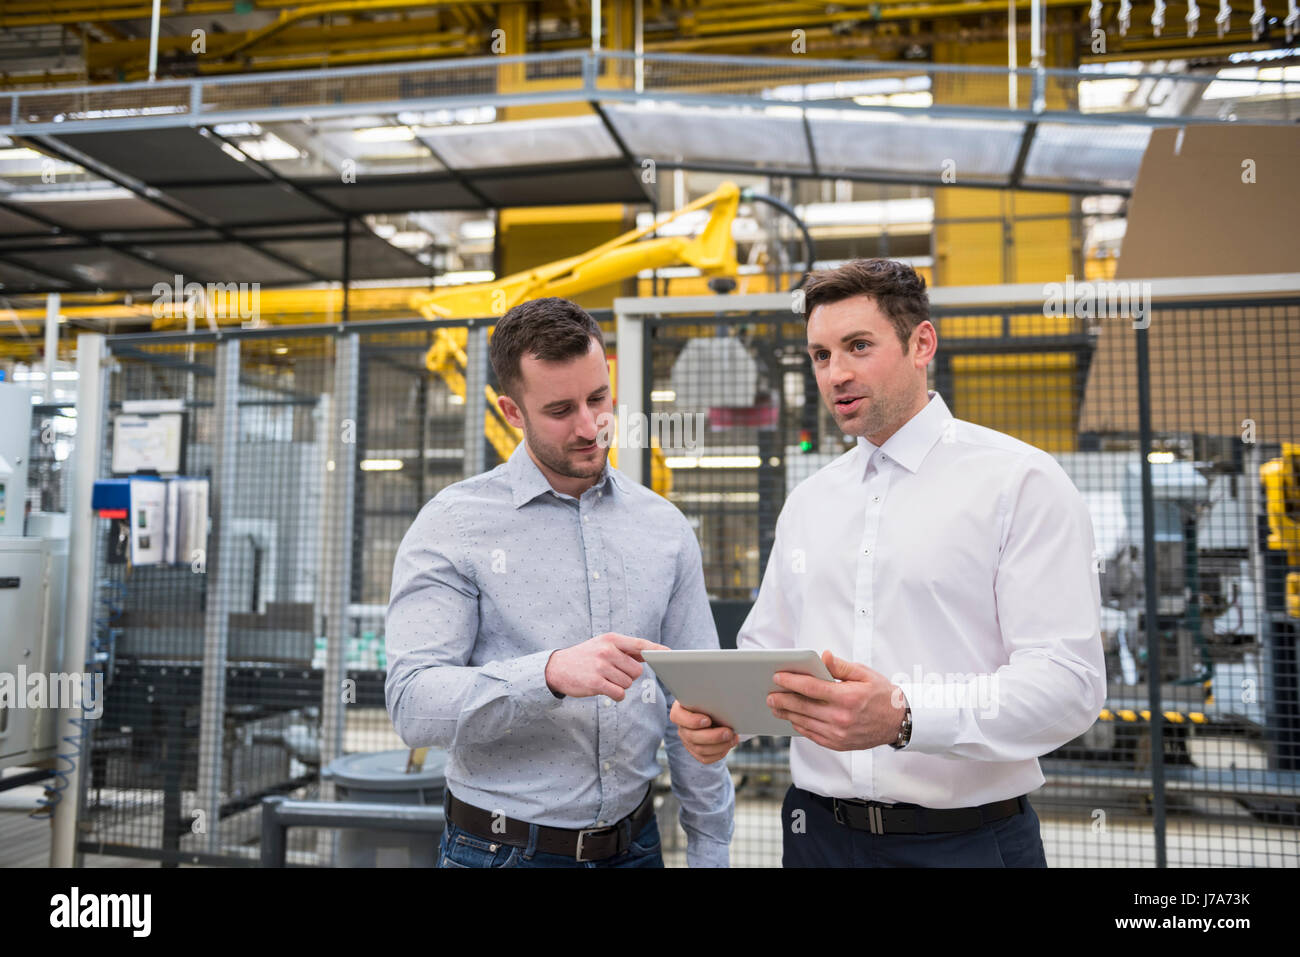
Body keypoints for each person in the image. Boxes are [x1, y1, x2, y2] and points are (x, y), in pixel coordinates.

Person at [670, 259, 1106, 867]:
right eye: (821, 356)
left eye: (858, 346)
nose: (837, 374)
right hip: (817, 836)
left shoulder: (1019, 483)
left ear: (921, 342)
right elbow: (767, 652)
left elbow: (1069, 686)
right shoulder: (810, 501)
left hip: (966, 843)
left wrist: (904, 717)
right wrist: (723, 719)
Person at [386, 296, 734, 868]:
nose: (588, 426)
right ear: (512, 411)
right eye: (559, 409)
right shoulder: (455, 524)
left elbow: (695, 702)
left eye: (598, 398)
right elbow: (411, 705)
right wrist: (547, 674)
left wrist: (711, 845)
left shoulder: (663, 528)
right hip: (499, 850)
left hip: (637, 845)